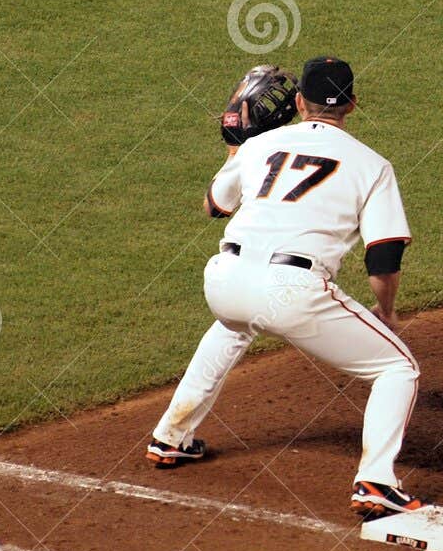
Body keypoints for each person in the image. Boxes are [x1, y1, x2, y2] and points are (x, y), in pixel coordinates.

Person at [148, 56, 426, 519]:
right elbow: (383, 257)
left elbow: (215, 205)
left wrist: (237, 146)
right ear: (353, 105)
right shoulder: (373, 166)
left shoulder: (261, 146)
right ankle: (376, 482)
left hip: (225, 280)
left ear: (299, 102)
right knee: (398, 369)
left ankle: (170, 438)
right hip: (294, 290)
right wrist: (387, 312)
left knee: (231, 326)